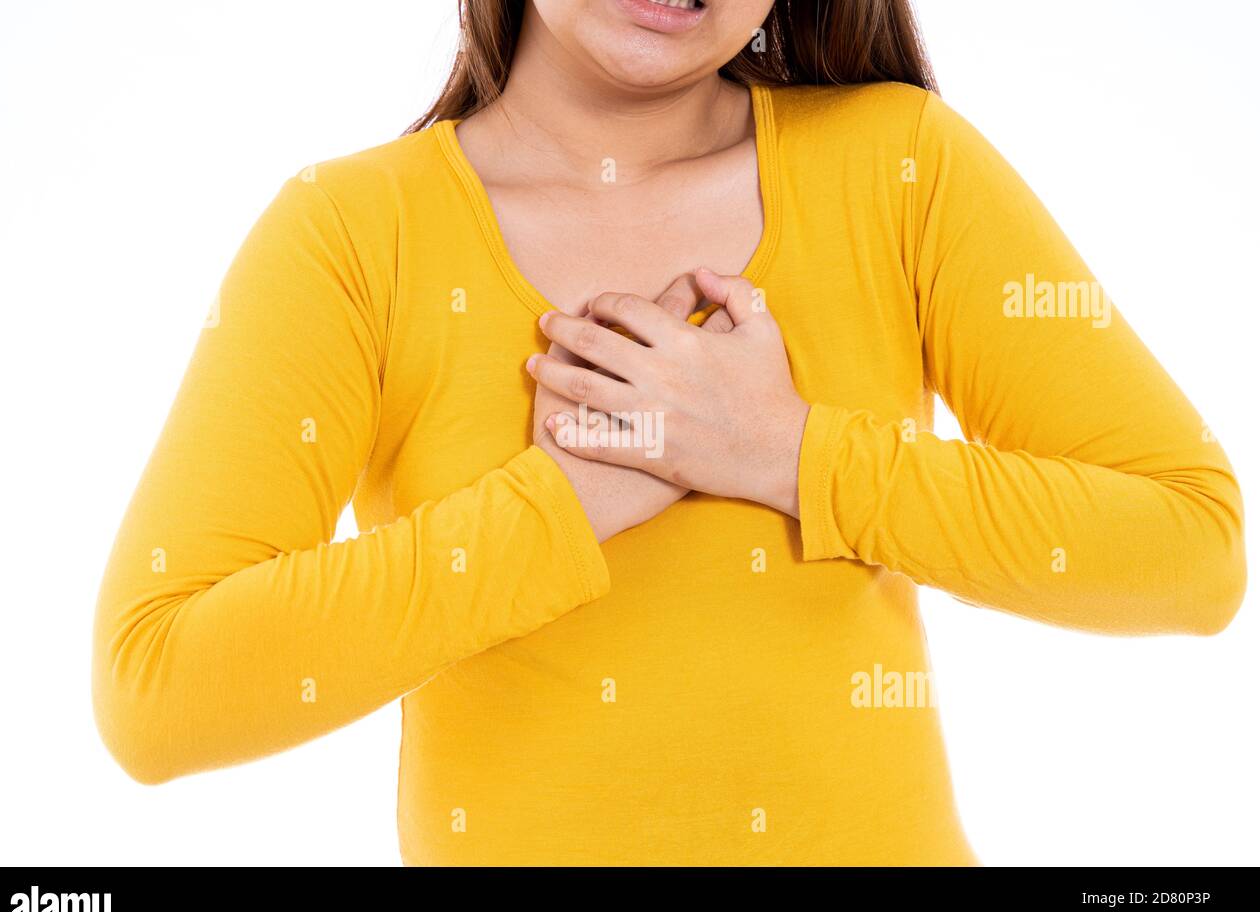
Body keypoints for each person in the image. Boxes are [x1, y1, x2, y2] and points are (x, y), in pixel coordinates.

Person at [94, 0, 1245, 865]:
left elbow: (1193, 549)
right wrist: (561, 506)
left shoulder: (899, 163)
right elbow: (157, 687)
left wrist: (787, 453)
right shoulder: (353, 235)